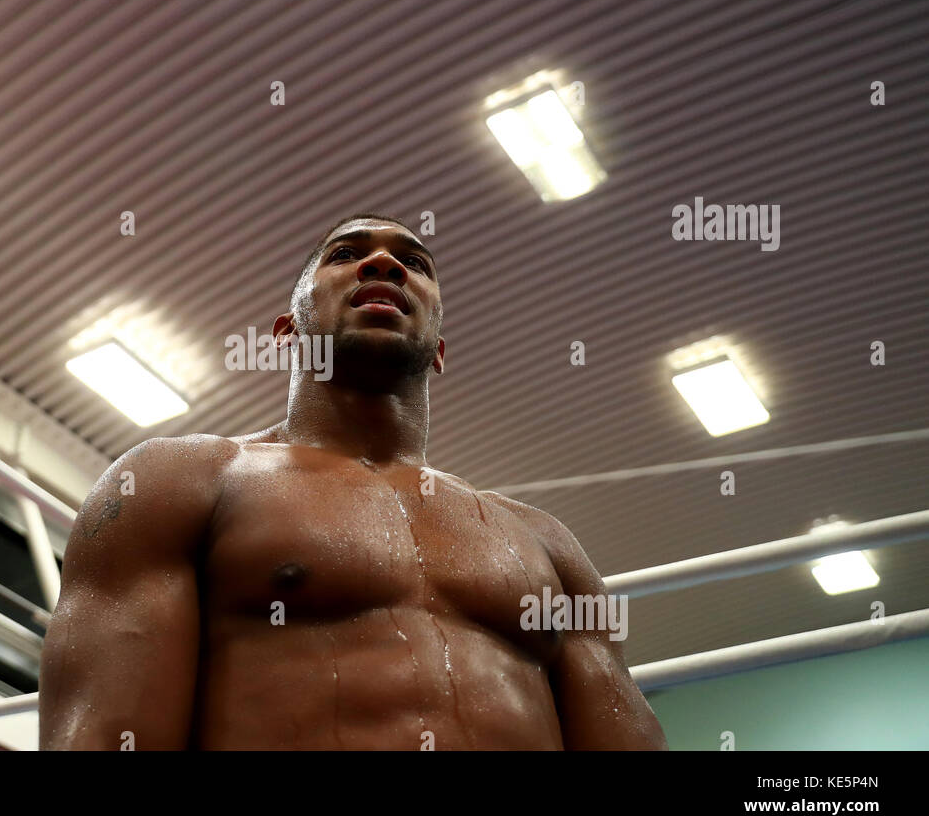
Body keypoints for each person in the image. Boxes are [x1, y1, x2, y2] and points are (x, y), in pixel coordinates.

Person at [39, 213, 667, 750]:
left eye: (413, 263)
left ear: (438, 350)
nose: (384, 264)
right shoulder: (173, 481)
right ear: (288, 334)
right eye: (345, 255)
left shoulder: (547, 544)